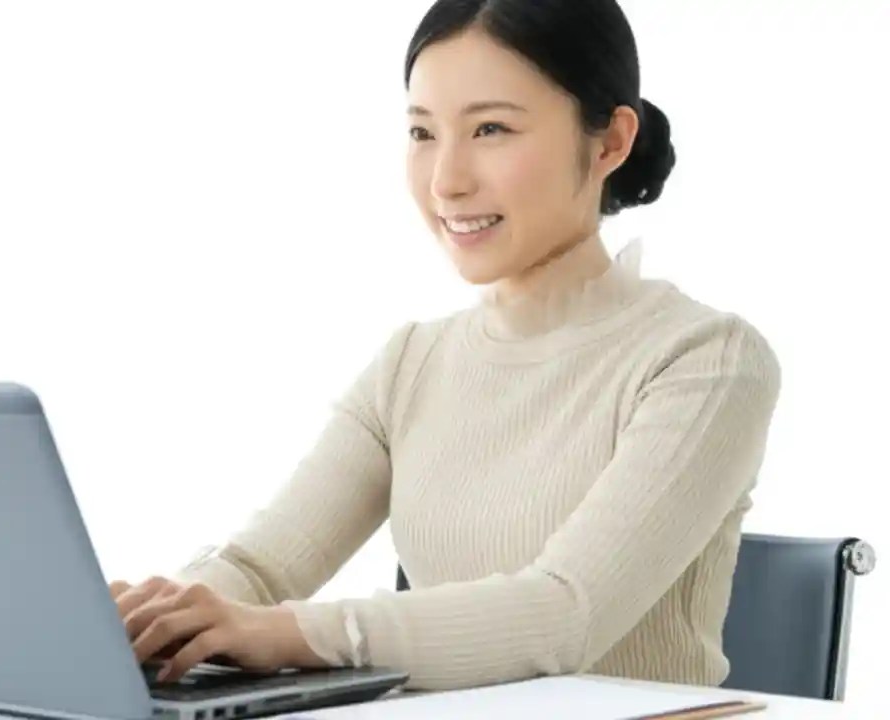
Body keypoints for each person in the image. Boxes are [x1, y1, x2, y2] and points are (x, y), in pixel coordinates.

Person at [109, 0, 782, 692]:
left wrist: (287, 631)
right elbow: (258, 570)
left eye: (491, 128)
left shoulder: (705, 358)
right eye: (423, 132)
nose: (446, 181)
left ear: (610, 141)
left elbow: (564, 616)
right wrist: (142, 622)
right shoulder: (413, 364)